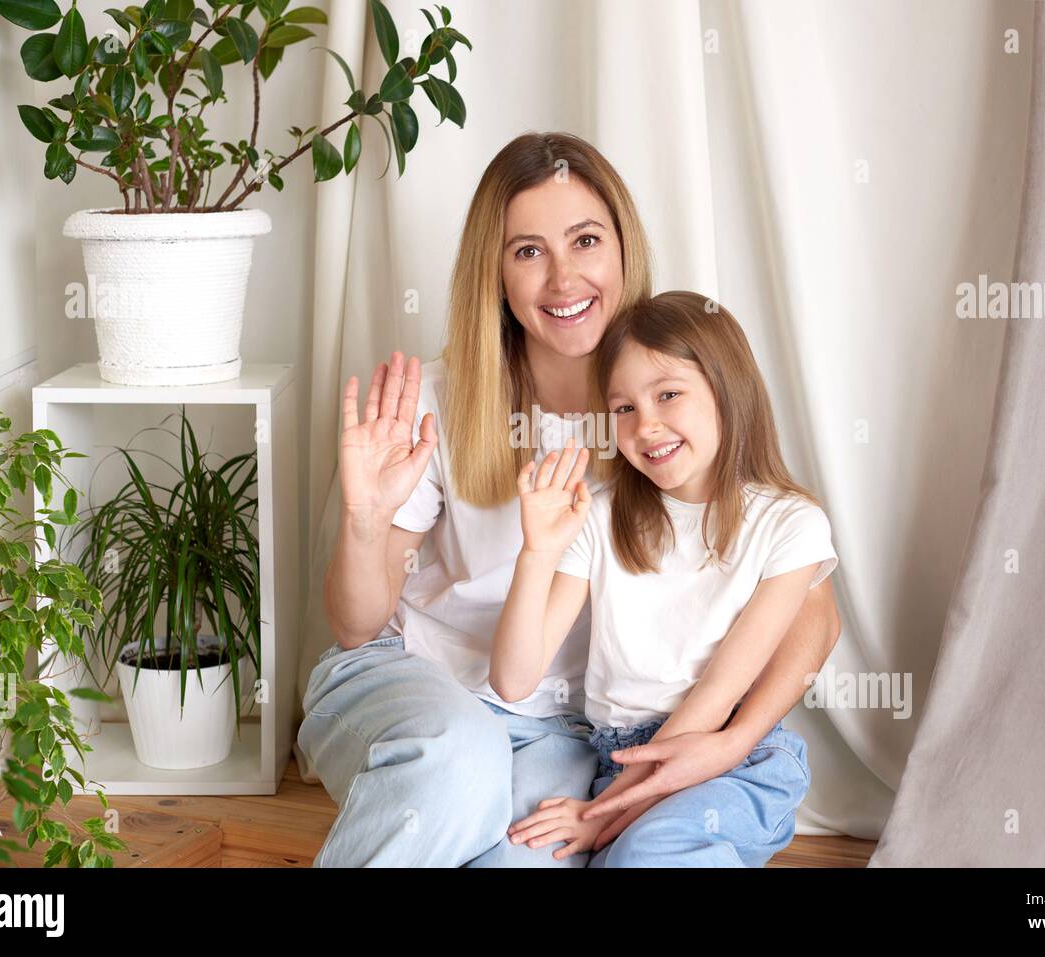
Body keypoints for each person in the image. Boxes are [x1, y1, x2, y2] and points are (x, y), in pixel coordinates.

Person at [299, 132, 842, 867]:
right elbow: (356, 625)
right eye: (527, 251)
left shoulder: (665, 409)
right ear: (493, 273)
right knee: (461, 763)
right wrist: (364, 523)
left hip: (562, 731)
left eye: (585, 240)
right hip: (414, 680)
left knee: (524, 857)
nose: (563, 277)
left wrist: (729, 743)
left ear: (623, 248)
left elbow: (812, 605)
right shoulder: (437, 401)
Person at [491, 291, 837, 866]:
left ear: (728, 390)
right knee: (526, 850)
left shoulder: (789, 524)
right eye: (624, 408)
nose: (646, 426)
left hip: (727, 760)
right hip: (617, 760)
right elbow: (512, 679)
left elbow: (717, 696)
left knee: (650, 851)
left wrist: (601, 815)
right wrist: (537, 552)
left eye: (669, 395)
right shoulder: (597, 517)